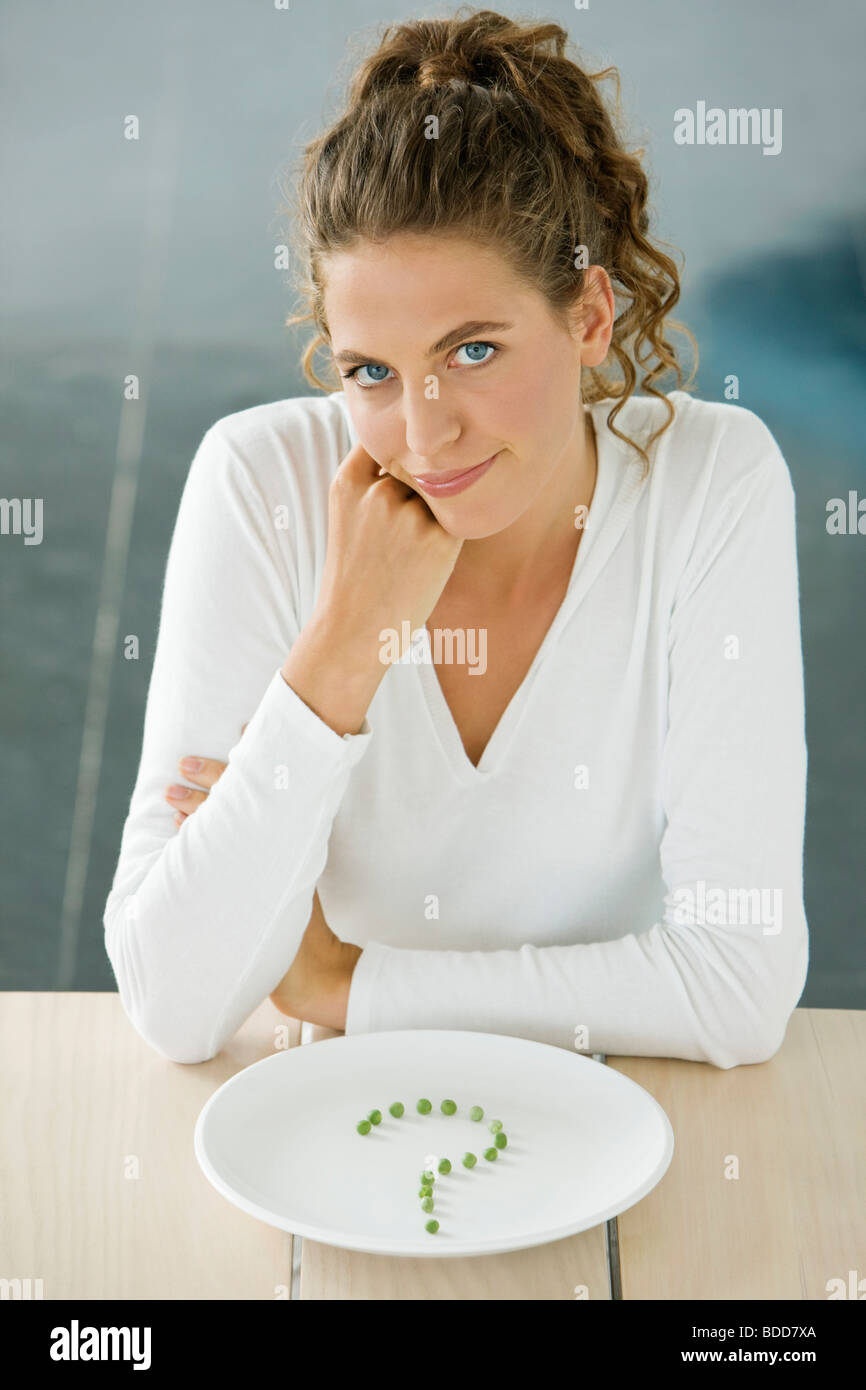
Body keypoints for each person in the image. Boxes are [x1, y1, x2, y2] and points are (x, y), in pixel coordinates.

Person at [103, 9, 808, 1068]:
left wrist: (343, 981)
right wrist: (342, 645)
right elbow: (172, 1000)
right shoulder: (260, 484)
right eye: (369, 372)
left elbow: (737, 986)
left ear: (588, 316)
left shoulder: (709, 483)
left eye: (471, 349)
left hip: (612, 1119)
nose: (423, 433)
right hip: (340, 1124)